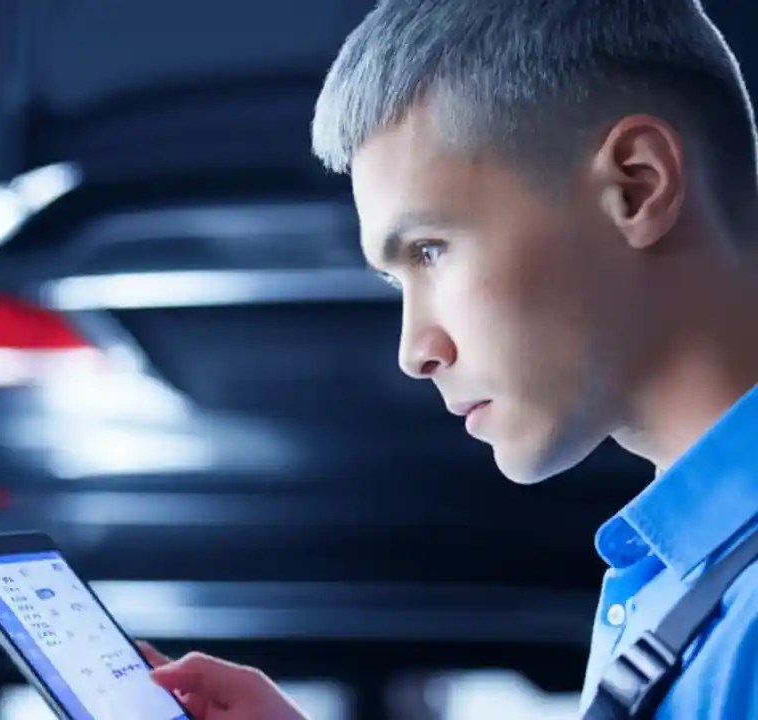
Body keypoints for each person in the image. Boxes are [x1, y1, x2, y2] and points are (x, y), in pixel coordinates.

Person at [139, 1, 758, 718]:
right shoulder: (686, 571)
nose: (415, 351)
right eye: (398, 279)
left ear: (637, 184)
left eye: (431, 250)